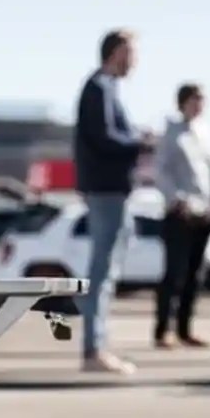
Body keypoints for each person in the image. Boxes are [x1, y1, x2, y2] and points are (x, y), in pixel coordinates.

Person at [73, 28, 154, 374]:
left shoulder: (107, 90)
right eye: (131, 53)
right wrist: (140, 142)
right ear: (116, 52)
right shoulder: (98, 89)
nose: (134, 61)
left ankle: (97, 344)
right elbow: (103, 138)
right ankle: (93, 349)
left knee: (110, 264)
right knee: (102, 270)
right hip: (105, 190)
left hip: (114, 190)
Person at [152, 83, 210, 348]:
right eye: (195, 100)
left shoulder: (205, 133)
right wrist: (175, 199)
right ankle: (162, 328)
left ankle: (185, 326)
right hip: (180, 212)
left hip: (204, 210)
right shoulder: (172, 133)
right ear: (183, 102)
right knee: (175, 272)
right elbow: (161, 170)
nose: (199, 105)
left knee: (195, 273)